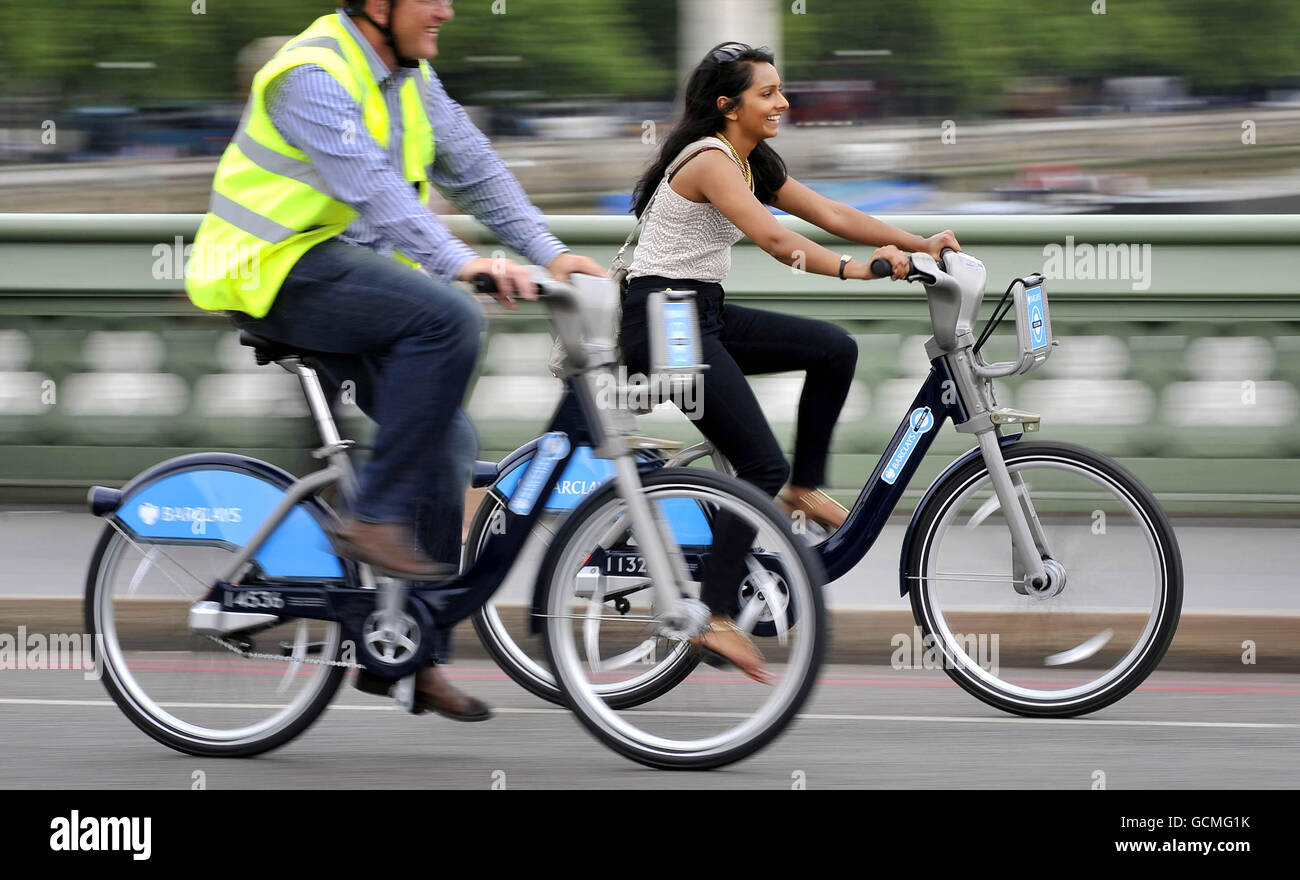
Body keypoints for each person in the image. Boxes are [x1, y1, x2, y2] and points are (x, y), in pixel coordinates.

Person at [185, 0, 605, 719]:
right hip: (273, 271)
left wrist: (553, 252)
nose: (447, 10)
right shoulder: (310, 74)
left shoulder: (409, 76)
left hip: (346, 274)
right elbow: (373, 192)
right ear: (378, 5)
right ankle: (373, 515)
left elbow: (476, 170)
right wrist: (461, 263)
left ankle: (407, 645)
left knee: (451, 440)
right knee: (447, 317)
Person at [622, 42, 961, 682]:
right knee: (758, 463)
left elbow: (828, 212)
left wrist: (922, 244)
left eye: (781, 90)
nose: (782, 102)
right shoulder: (709, 160)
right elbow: (779, 240)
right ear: (728, 106)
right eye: (767, 93)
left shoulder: (752, 160)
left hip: (702, 311)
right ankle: (715, 615)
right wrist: (861, 271)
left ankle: (802, 490)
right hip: (662, 324)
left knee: (833, 348)